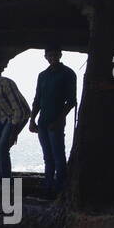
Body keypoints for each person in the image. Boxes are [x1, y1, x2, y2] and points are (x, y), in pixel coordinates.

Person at [29, 48, 77, 196]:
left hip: (56, 121)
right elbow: (37, 99)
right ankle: (48, 186)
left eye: (55, 54)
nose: (52, 57)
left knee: (58, 156)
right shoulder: (42, 75)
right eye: (50, 55)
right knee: (47, 157)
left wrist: (59, 119)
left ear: (60, 55)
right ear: (45, 57)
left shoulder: (68, 73)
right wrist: (32, 120)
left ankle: (60, 189)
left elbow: (71, 101)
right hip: (42, 121)